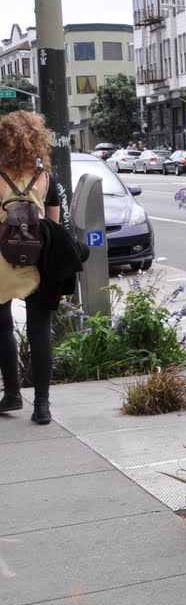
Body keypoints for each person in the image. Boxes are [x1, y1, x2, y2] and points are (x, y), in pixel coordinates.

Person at [0, 111, 66, 424]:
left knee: (1, 327)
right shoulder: (46, 178)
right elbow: (54, 227)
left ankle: (12, 394)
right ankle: (42, 405)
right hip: (39, 262)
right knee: (40, 332)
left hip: (1, 263)